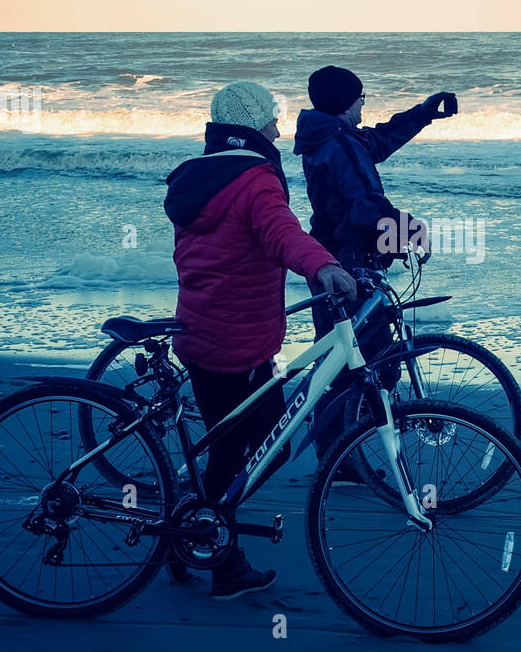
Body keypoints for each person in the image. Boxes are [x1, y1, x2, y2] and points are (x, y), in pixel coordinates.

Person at [164, 80, 356, 599]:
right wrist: (325, 265)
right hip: (236, 340)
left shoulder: (198, 175)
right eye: (270, 117)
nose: (277, 127)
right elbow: (281, 232)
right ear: (251, 124)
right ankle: (220, 561)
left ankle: (183, 531)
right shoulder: (254, 178)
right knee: (245, 454)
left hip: (202, 329)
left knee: (246, 443)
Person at [293, 66, 457, 456]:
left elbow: (378, 141)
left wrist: (422, 113)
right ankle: (346, 456)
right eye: (362, 97)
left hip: (331, 262)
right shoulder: (339, 144)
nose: (364, 103)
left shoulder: (329, 136)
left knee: (342, 363)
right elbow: (366, 206)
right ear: (348, 101)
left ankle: (340, 457)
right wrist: (409, 229)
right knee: (373, 365)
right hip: (349, 267)